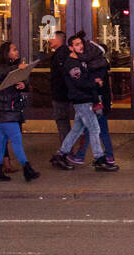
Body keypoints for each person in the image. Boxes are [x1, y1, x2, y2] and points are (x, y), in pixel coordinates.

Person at [50, 35, 119, 172]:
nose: (80, 46)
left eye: (80, 43)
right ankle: (99, 159)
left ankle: (61, 154)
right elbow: (79, 82)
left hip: (85, 99)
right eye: (76, 45)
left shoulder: (81, 61)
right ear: (70, 47)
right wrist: (95, 83)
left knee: (77, 129)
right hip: (81, 100)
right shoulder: (71, 64)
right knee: (95, 129)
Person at [0, 41, 40, 183]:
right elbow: (0, 73)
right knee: (16, 138)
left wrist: (24, 85)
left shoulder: (16, 66)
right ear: (7, 52)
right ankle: (27, 168)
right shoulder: (1, 66)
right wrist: (16, 67)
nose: (17, 52)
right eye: (14, 49)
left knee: (2, 140)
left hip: (9, 107)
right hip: (4, 107)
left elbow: (25, 83)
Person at [71, 36, 116, 164]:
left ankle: (86, 155)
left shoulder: (93, 66)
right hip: (101, 100)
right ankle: (105, 155)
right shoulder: (100, 63)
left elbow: (94, 85)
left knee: (94, 128)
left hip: (96, 101)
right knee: (94, 128)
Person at [48, 30, 73, 146]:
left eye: (52, 38)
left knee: (62, 123)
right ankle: (67, 150)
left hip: (61, 95)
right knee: (64, 123)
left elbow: (62, 75)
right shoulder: (63, 53)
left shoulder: (61, 54)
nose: (49, 40)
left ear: (59, 39)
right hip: (63, 94)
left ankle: (66, 151)